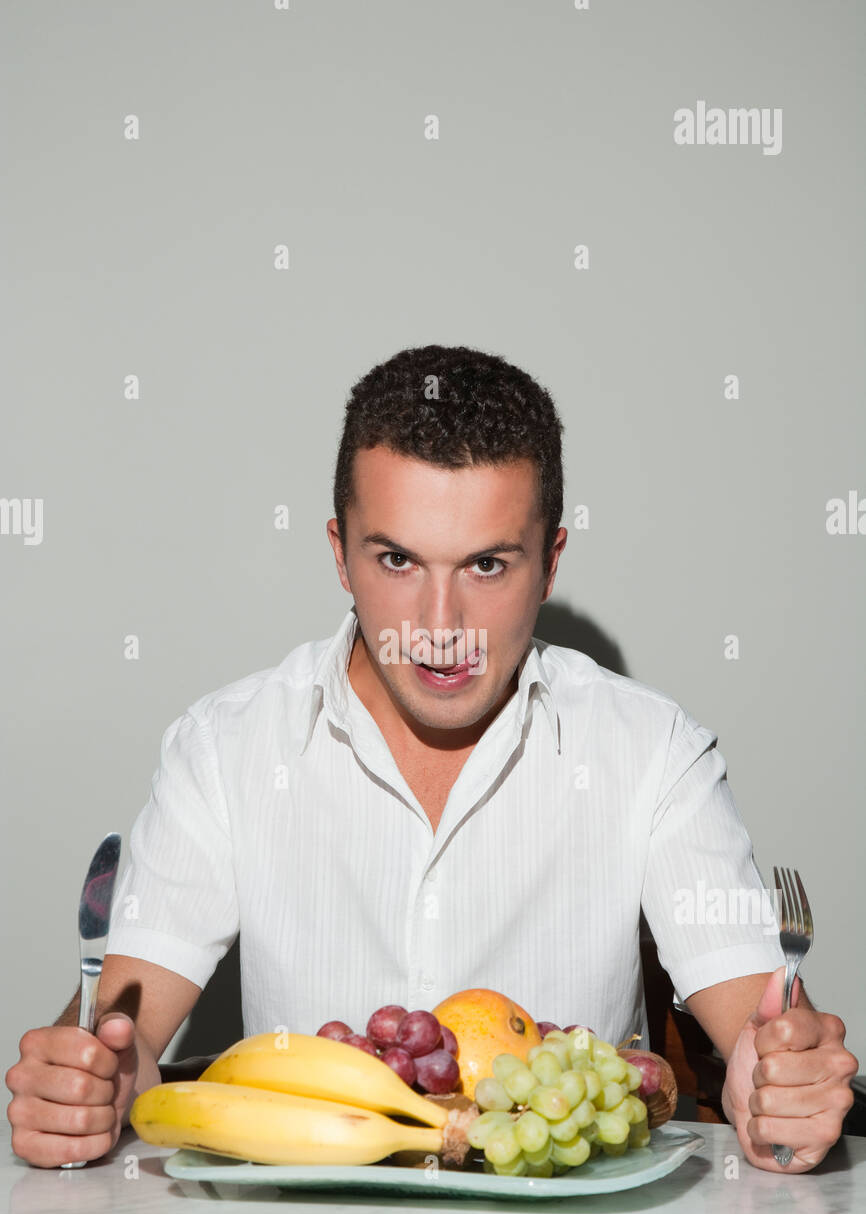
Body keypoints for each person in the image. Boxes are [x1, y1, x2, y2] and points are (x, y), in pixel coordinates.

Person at [6, 345, 857, 1172]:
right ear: (340, 553)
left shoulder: (654, 753)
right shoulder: (227, 748)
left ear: (551, 562)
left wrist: (780, 1085)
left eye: (487, 564)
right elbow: (121, 1033)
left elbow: (764, 1034)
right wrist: (87, 1086)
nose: (440, 624)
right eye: (398, 560)